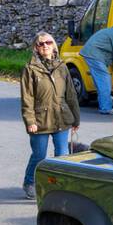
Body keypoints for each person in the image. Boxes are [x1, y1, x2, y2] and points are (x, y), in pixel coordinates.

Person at [20, 31, 79, 200]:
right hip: (40, 120)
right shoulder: (30, 69)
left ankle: (59, 185)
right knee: (39, 155)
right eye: (41, 44)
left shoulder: (62, 66)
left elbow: (71, 95)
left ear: (54, 45)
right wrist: (30, 120)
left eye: (48, 42)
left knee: (62, 154)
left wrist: (76, 118)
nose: (45, 46)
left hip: (61, 117)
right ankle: (29, 182)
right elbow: (27, 98)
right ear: (36, 48)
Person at [79, 24, 113, 114]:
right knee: (104, 80)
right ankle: (106, 108)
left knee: (101, 81)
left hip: (91, 53)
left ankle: (104, 105)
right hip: (94, 54)